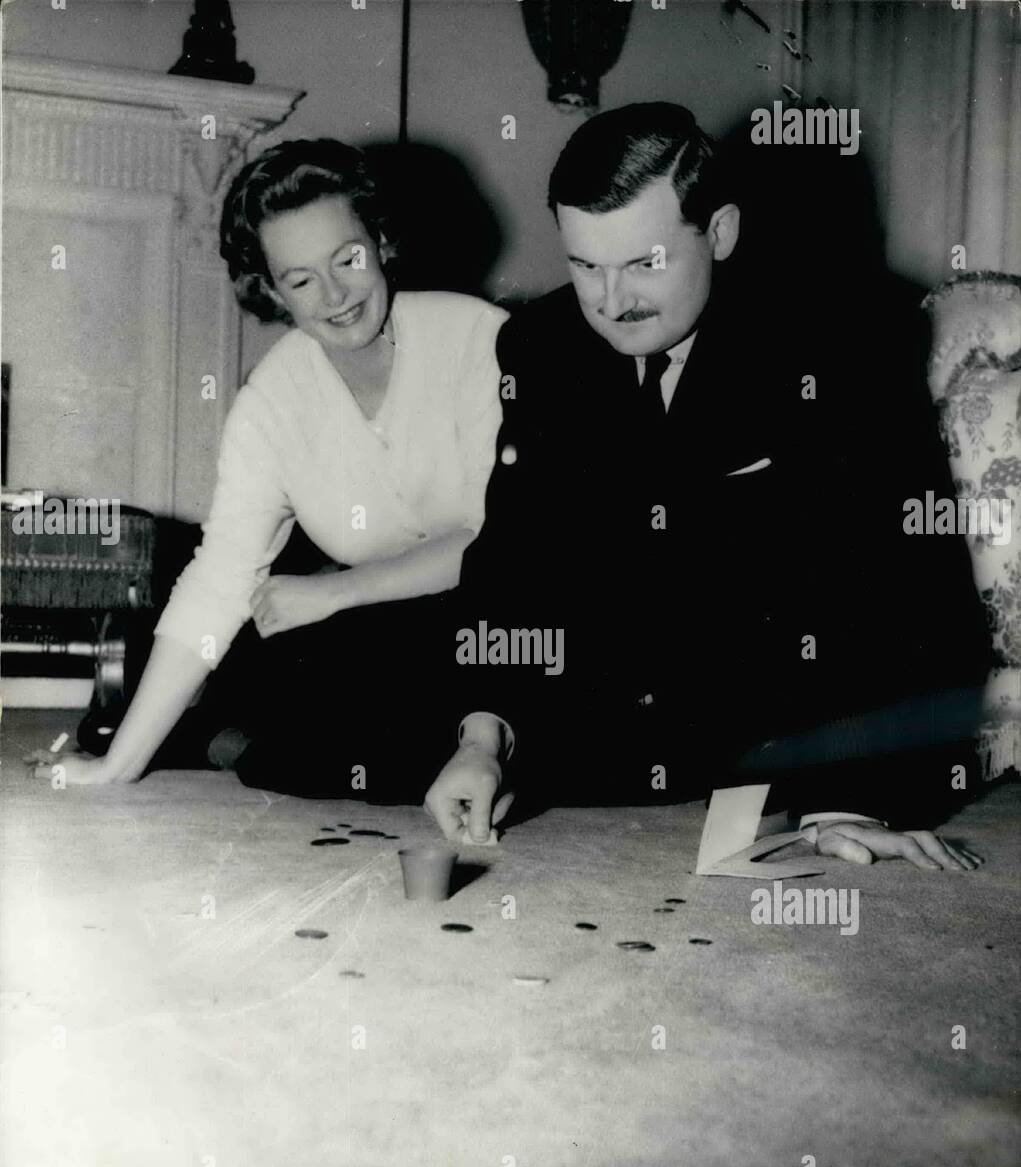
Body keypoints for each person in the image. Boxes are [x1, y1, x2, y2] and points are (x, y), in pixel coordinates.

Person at [424, 103, 991, 870]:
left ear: (718, 233)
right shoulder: (539, 343)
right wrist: (484, 737)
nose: (610, 300)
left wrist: (849, 798)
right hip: (604, 711)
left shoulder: (843, 336)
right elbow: (516, 557)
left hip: (776, 722)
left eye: (643, 263)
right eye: (585, 265)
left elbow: (898, 586)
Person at [30, 139, 507, 799]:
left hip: (510, 625)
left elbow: (507, 542)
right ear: (271, 289)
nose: (335, 295)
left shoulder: (482, 339)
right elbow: (221, 578)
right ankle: (220, 736)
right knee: (302, 670)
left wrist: (339, 591)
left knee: (356, 720)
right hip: (391, 640)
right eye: (301, 279)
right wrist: (119, 768)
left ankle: (233, 740)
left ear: (382, 239)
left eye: (348, 258)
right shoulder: (271, 401)